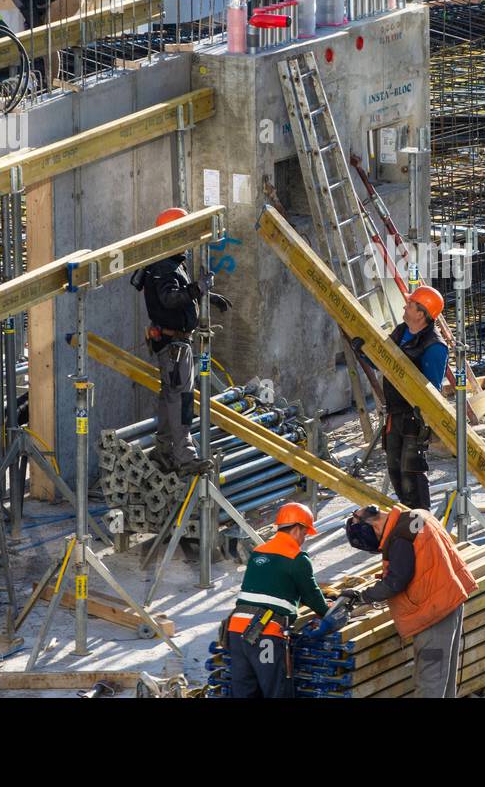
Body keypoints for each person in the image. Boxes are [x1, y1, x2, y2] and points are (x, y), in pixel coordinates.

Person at [129, 207, 230, 472]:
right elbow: (169, 298)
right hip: (174, 345)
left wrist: (204, 296)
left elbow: (177, 295)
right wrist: (198, 288)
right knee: (181, 400)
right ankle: (185, 457)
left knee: (169, 398)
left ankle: (163, 451)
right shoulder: (164, 265)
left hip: (174, 343)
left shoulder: (169, 261)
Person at [342, 504, 477, 698]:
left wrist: (363, 596)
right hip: (449, 599)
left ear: (373, 526)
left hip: (432, 614)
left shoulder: (400, 538)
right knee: (443, 681)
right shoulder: (417, 516)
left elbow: (395, 582)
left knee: (430, 683)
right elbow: (421, 560)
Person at [351, 286, 449, 511]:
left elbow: (432, 389)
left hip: (414, 418)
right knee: (395, 468)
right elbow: (384, 364)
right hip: (395, 412)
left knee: (411, 472)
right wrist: (363, 351)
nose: (405, 306)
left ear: (421, 313)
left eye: (410, 304)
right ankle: (406, 516)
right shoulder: (401, 331)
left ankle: (422, 522)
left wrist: (423, 418)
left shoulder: (434, 346)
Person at [222, 503, 329, 698]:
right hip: (265, 633)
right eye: (305, 534)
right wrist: (329, 613)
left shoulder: (259, 552)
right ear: (297, 529)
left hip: (236, 632)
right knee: (277, 690)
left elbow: (273, 587)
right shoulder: (297, 558)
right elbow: (311, 595)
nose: (304, 539)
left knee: (243, 692)